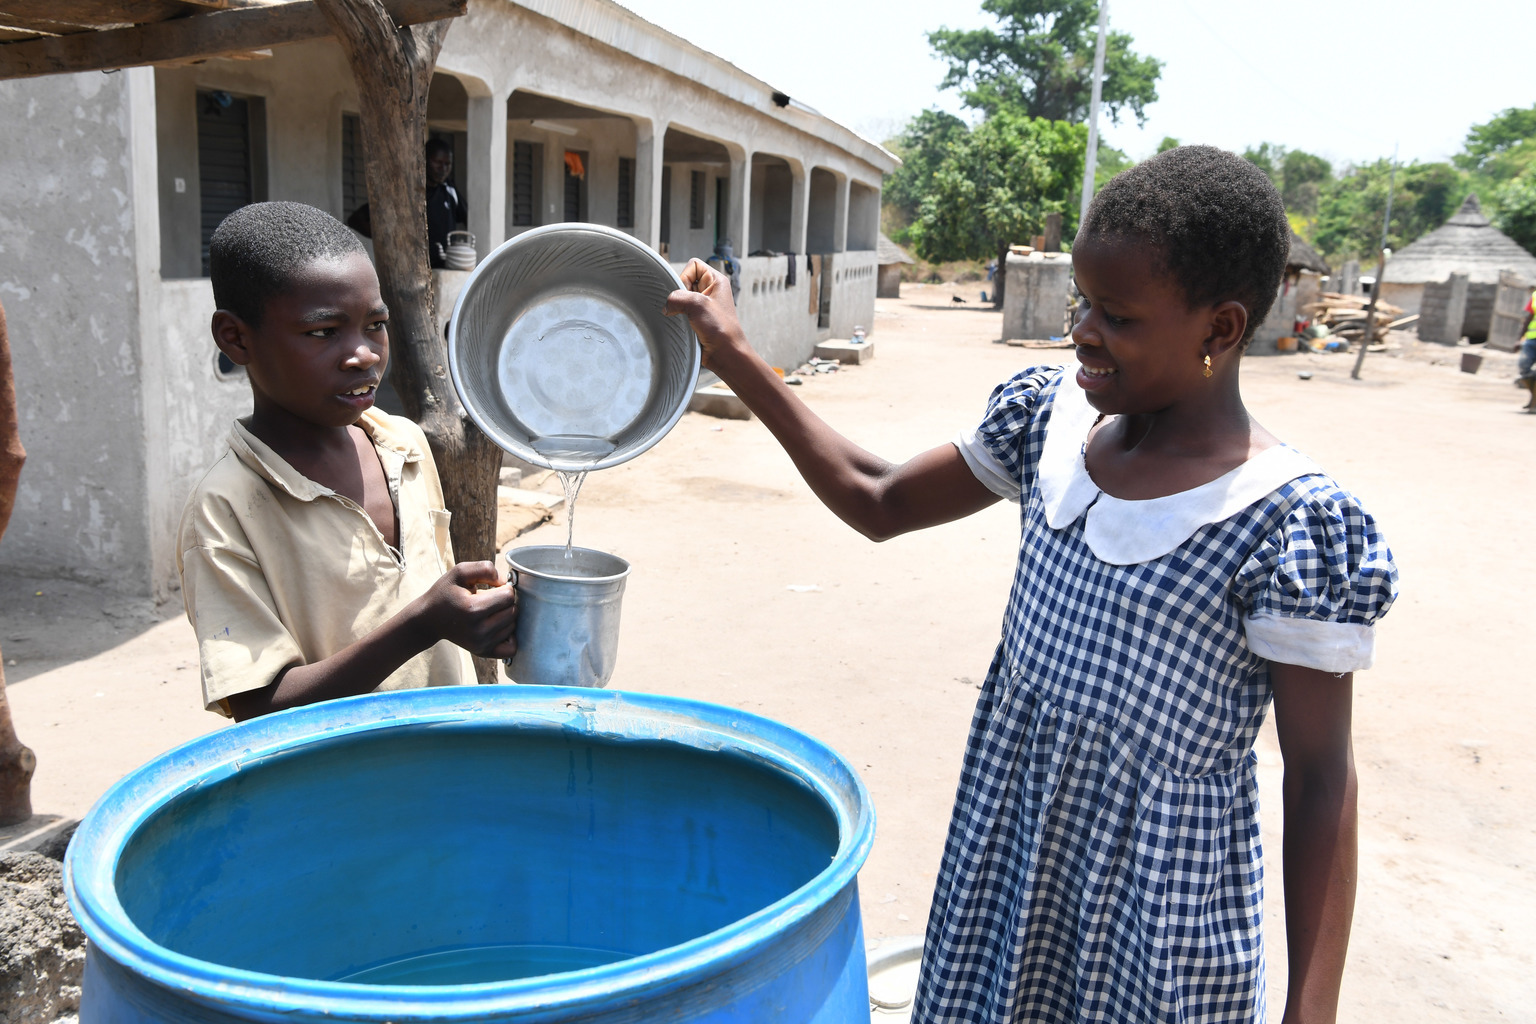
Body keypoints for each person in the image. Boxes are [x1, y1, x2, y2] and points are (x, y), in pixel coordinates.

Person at [666, 146, 1399, 1023]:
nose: (1082, 330)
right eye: (1082, 301)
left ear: (1220, 329)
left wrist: (1311, 1013)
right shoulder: (1049, 422)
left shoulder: (1285, 524)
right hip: (1010, 878)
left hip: (1160, 925)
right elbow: (878, 498)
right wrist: (737, 355)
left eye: (1117, 316)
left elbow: (1323, 780)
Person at [179, 201, 517, 721]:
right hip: (341, 790)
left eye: (375, 324)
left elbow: (434, 586)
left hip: (453, 761)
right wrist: (424, 623)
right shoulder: (226, 508)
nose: (363, 354)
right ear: (236, 338)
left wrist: (480, 620)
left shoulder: (402, 445)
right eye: (322, 332)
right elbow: (257, 705)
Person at [345, 138, 466, 269]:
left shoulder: (449, 189)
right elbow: (356, 219)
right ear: (424, 160)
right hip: (411, 270)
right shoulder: (405, 192)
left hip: (443, 270)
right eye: (438, 162)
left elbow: (466, 217)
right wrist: (388, 241)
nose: (443, 169)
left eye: (447, 164)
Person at [1517, 285, 1535, 412]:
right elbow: (1529, 317)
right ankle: (1534, 397)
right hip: (1532, 339)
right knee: (1524, 368)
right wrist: (1519, 339)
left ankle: (1534, 403)